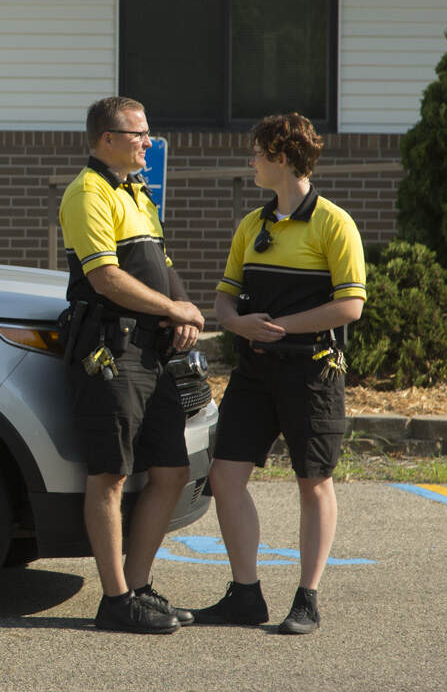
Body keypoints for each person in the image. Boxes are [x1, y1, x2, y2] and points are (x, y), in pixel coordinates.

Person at [194, 112, 366, 635]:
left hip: (313, 373)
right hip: (254, 373)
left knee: (313, 483)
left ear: (282, 158)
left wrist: (281, 327)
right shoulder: (253, 224)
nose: (250, 161)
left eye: (258, 153)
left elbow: (350, 306)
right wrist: (236, 322)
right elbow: (223, 300)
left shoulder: (334, 223)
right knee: (224, 477)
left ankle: (307, 599)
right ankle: (245, 595)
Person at [59, 96, 205, 634]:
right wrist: (173, 309)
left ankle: (139, 587)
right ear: (107, 139)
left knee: (171, 471)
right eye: (139, 133)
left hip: (155, 351)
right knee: (112, 474)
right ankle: (116, 601)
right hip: (111, 349)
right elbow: (105, 278)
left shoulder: (137, 194)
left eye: (148, 132)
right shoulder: (88, 193)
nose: (149, 141)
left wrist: (182, 313)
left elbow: (162, 269)